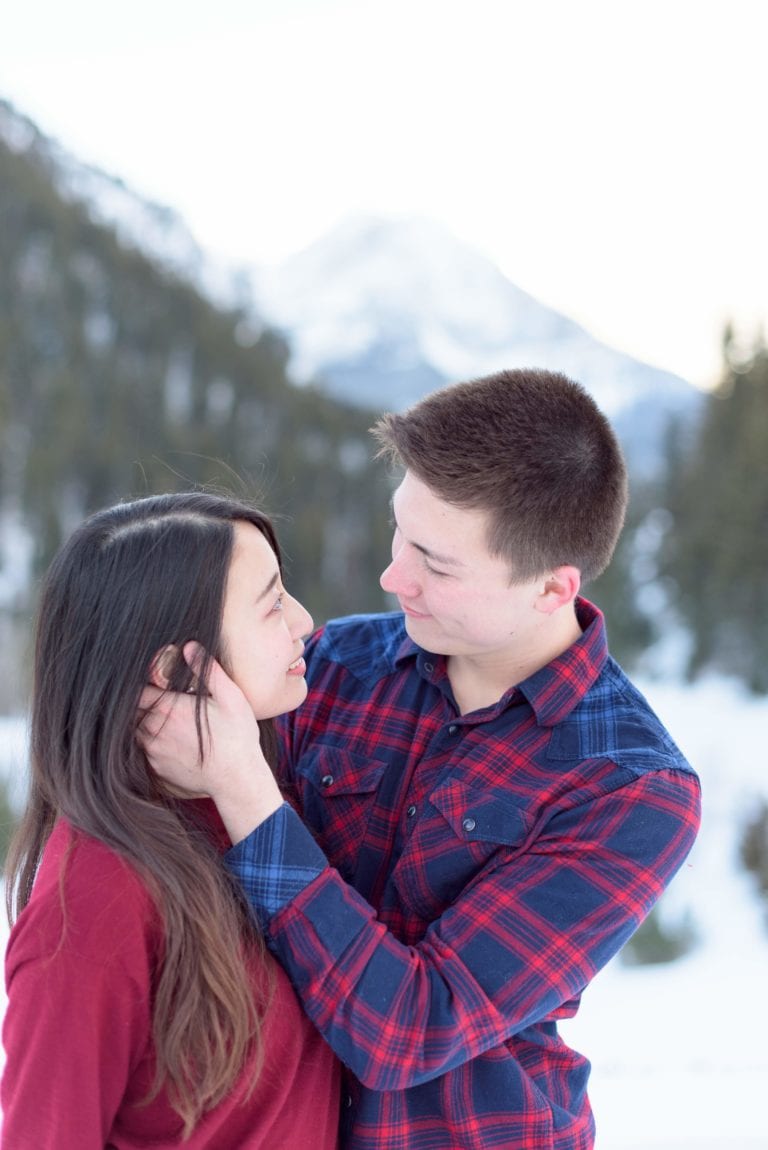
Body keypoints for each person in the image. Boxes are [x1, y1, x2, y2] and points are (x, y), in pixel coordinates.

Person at [140, 369, 702, 1150]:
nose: (392, 574)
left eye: (436, 565)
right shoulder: (334, 664)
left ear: (551, 589)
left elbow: (407, 1032)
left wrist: (245, 787)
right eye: (400, 530)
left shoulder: (631, 789)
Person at [2, 492, 340, 1149]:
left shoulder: (262, 805)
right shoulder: (93, 906)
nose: (303, 620)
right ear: (176, 670)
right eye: (271, 604)